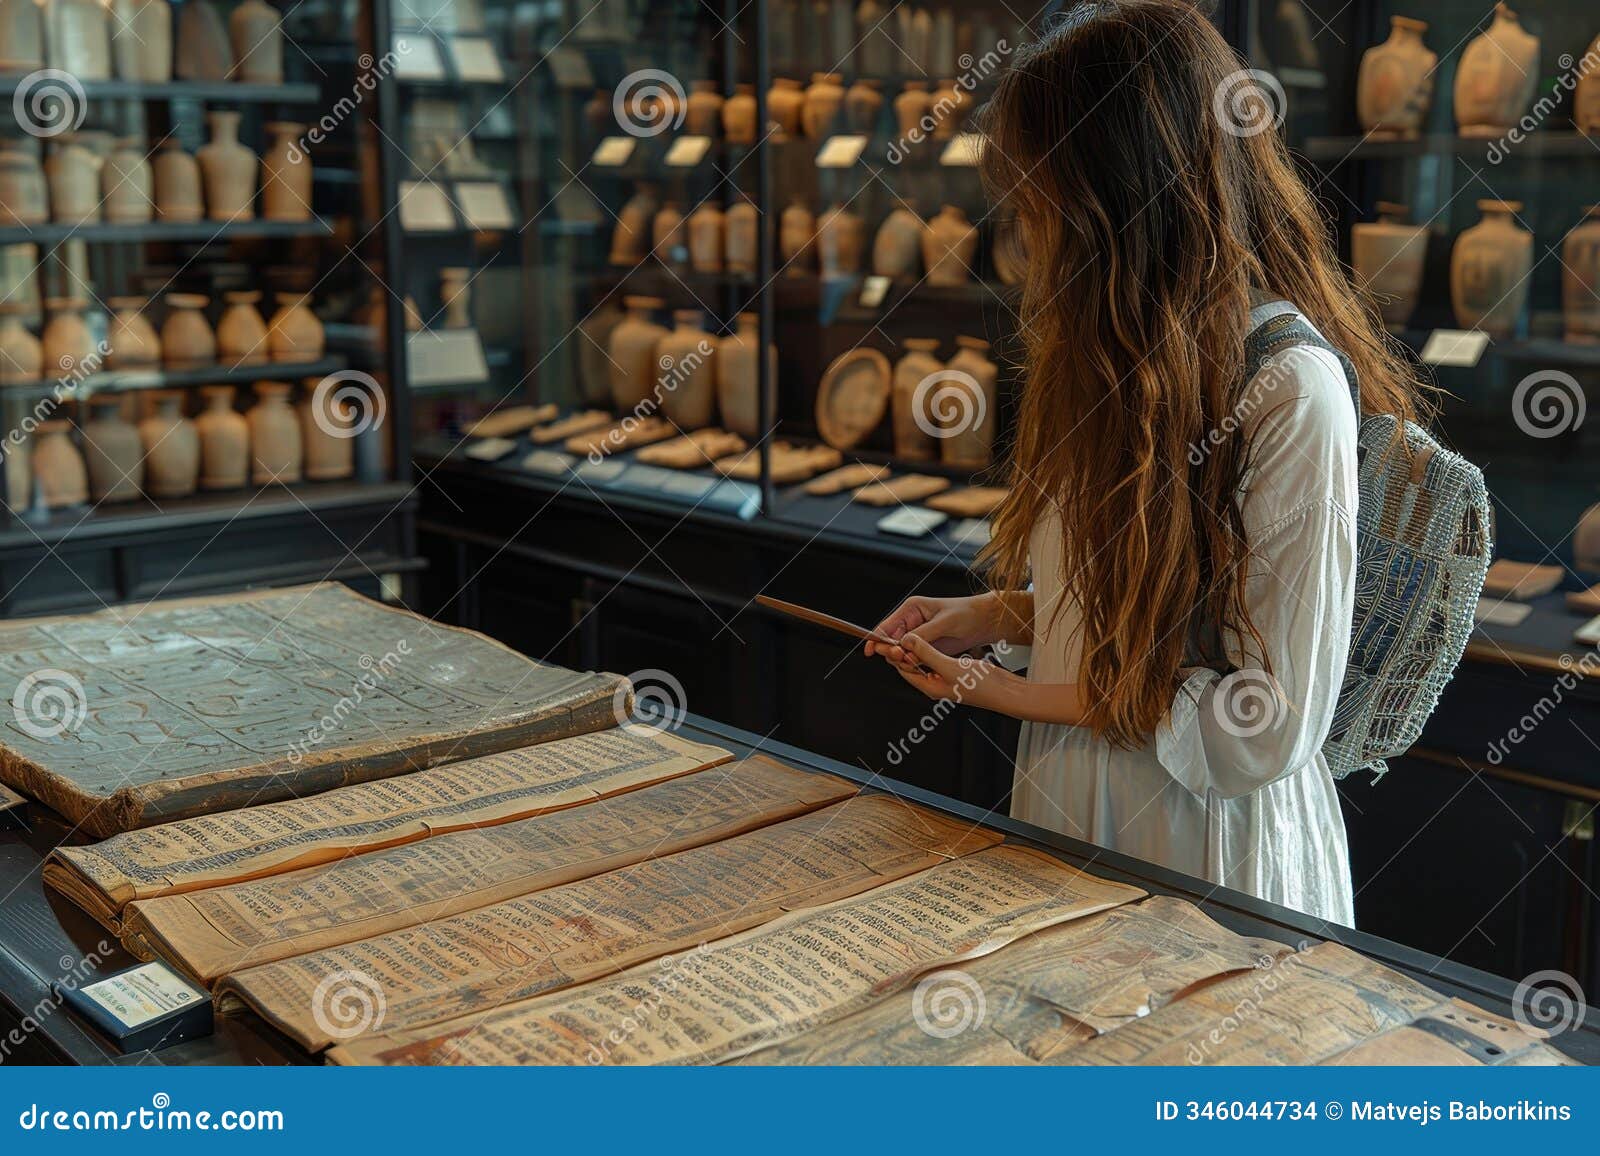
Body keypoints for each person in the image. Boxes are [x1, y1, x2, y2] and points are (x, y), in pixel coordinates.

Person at [865, 0, 1428, 926]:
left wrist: (1017, 691)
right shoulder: (1112, 357)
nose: (1029, 238)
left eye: (1044, 201)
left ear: (1122, 196)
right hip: (1073, 803)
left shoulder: (1289, 388)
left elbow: (1264, 718)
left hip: (1200, 841)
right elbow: (1148, 600)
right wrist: (999, 614)